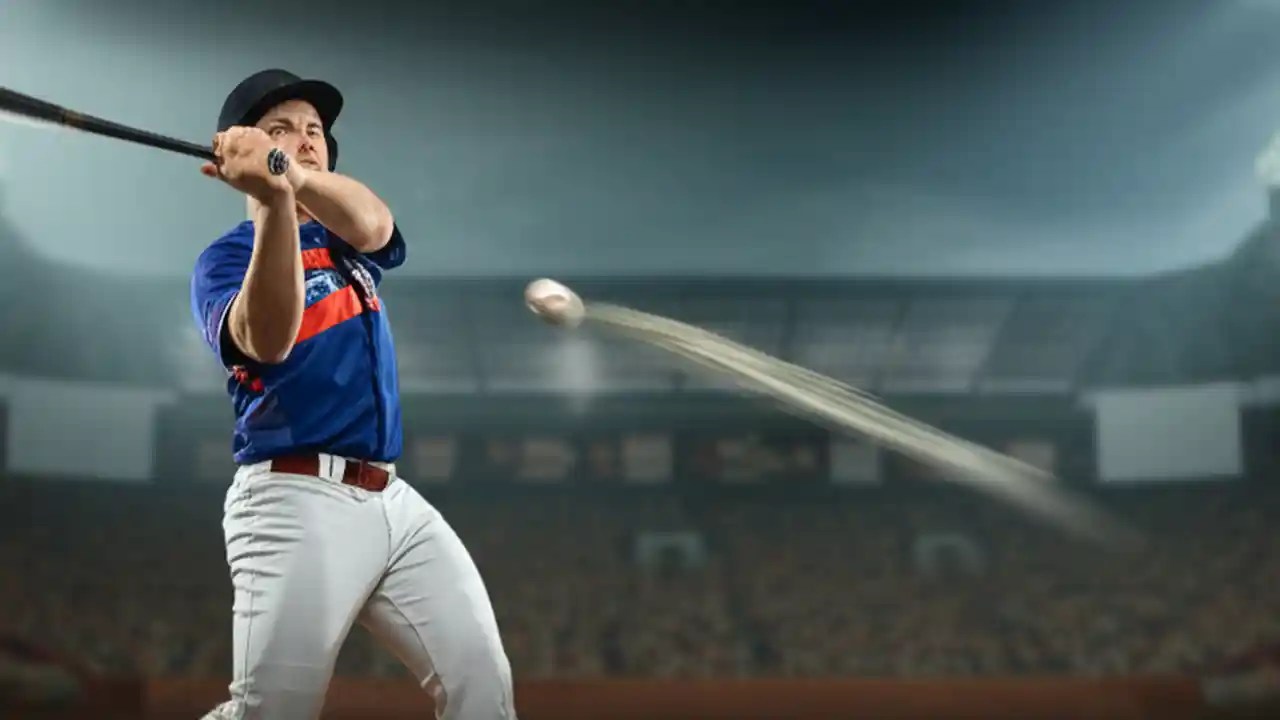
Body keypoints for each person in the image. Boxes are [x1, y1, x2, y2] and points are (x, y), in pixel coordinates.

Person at [190, 69, 515, 720]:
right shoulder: (223, 261)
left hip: (393, 502)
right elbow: (269, 341)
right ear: (233, 151)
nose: (305, 140)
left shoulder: (346, 243)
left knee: (484, 686)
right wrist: (277, 201)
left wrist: (291, 177)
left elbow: (376, 223)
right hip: (292, 498)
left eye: (315, 132)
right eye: (281, 129)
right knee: (271, 713)